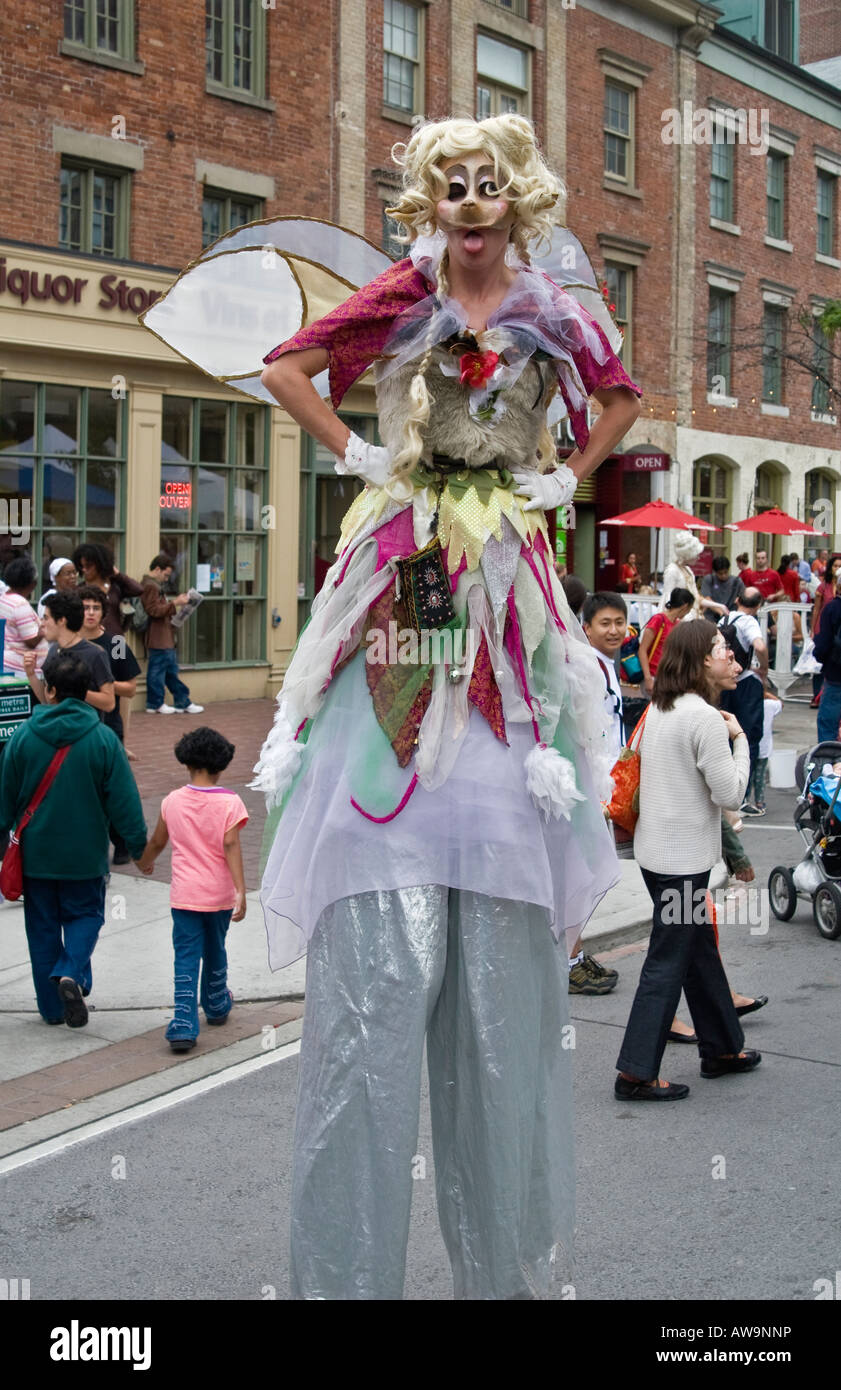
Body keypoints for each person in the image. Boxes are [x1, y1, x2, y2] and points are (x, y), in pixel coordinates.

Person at [253, 113, 642, 1299]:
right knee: (384, 687)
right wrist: (357, 458)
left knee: (522, 688)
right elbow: (286, 365)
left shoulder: (553, 309)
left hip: (507, 544)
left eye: (487, 187)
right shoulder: (397, 294)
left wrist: (563, 476)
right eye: (450, 188)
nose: (470, 205)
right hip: (411, 546)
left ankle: (499, 1278)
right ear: (431, 201)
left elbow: (619, 398)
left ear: (515, 199)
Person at [615, 622, 758, 1100]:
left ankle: (722, 1048)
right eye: (721, 649)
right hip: (682, 862)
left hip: (658, 856)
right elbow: (731, 793)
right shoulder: (704, 719)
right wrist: (740, 740)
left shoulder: (660, 707)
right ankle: (636, 1072)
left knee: (696, 952)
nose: (729, 656)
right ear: (700, 661)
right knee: (668, 959)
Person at [0, 650, 147, 1026]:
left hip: (36, 856)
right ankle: (71, 972)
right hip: (85, 856)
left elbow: (4, 800)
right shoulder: (103, 740)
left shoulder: (21, 739)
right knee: (86, 916)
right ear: (85, 692)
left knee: (42, 928)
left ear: (48, 690)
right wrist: (139, 846)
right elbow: (125, 802)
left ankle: (51, 1009)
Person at [137, 727, 247, 1054]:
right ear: (221, 766)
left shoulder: (172, 800)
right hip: (218, 896)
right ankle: (215, 1003)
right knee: (216, 948)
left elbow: (158, 841)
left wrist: (144, 862)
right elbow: (230, 844)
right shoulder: (231, 802)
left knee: (186, 956)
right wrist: (240, 890)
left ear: (186, 763)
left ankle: (184, 1023)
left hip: (185, 896)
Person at [79, 585, 143, 864]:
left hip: (108, 723)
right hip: (78, 723)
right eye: (85, 607)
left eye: (95, 608)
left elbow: (130, 688)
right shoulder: (68, 642)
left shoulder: (115, 643)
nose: (90, 613)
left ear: (104, 612)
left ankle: (123, 842)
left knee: (112, 787)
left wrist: (102, 685)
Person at [24, 591, 114, 716]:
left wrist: (75, 691)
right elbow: (47, 700)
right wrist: (31, 674)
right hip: (57, 728)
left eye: (46, 618)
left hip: (84, 729)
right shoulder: (54, 650)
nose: (42, 624)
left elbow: (109, 703)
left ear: (61, 620)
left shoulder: (96, 653)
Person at [717, 588, 767, 796]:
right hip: (745, 682)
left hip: (723, 683)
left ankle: (725, 785)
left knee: (724, 734)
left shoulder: (723, 621)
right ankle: (743, 791)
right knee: (748, 736)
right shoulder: (749, 621)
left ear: (737, 600)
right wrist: (763, 668)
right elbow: (760, 646)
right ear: (757, 606)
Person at [141, 555, 203, 715]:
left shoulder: (152, 585)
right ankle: (156, 703)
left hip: (163, 636)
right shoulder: (151, 586)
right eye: (166, 575)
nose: (167, 579)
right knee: (160, 671)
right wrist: (175, 603)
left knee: (169, 672)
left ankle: (182, 701)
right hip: (158, 637)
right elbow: (153, 610)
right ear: (157, 569)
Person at [72, 543, 143, 640]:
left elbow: (138, 589)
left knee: (120, 656)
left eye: (88, 566)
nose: (84, 570)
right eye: (81, 566)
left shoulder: (115, 586)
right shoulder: (79, 590)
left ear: (100, 564)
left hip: (116, 638)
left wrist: (118, 575)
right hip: (90, 639)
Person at [0, 556, 49, 678]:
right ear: (32, 583)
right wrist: (44, 630)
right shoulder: (20, 605)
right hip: (22, 669)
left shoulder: (4, 598)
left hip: (10, 662)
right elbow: (31, 641)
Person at [638, 587, 694, 694]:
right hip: (653, 677)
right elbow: (642, 650)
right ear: (685, 606)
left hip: (668, 678)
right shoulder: (658, 619)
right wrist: (648, 678)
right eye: (689, 609)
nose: (688, 613)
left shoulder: (677, 624)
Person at [807, 552, 841, 706]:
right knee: (820, 660)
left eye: (840, 566)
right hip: (825, 624)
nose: (837, 568)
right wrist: (813, 628)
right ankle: (816, 695)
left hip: (837, 626)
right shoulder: (824, 585)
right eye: (835, 565)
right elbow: (817, 608)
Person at [741, 690, 782, 816]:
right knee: (760, 777)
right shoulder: (769, 705)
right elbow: (780, 703)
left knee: (747, 775)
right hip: (764, 747)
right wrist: (766, 693)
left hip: (749, 746)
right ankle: (759, 802)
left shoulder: (746, 703)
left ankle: (744, 800)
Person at [812, 580, 841, 743]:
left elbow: (822, 645)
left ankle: (828, 762)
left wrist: (822, 658)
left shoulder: (832, 608)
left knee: (828, 725)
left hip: (835, 672)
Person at [661, 531, 704, 618]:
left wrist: (718, 605)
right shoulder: (672, 570)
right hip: (679, 617)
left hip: (690, 615)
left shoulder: (688, 570)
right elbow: (668, 597)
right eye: (696, 555)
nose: (698, 558)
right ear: (688, 554)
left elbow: (696, 596)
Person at [700, 555, 744, 622]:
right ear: (715, 572)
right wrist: (721, 612)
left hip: (731, 617)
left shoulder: (737, 582)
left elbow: (744, 599)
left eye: (726, 572)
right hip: (711, 618)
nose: (723, 575)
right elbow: (707, 598)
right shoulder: (709, 580)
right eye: (720, 573)